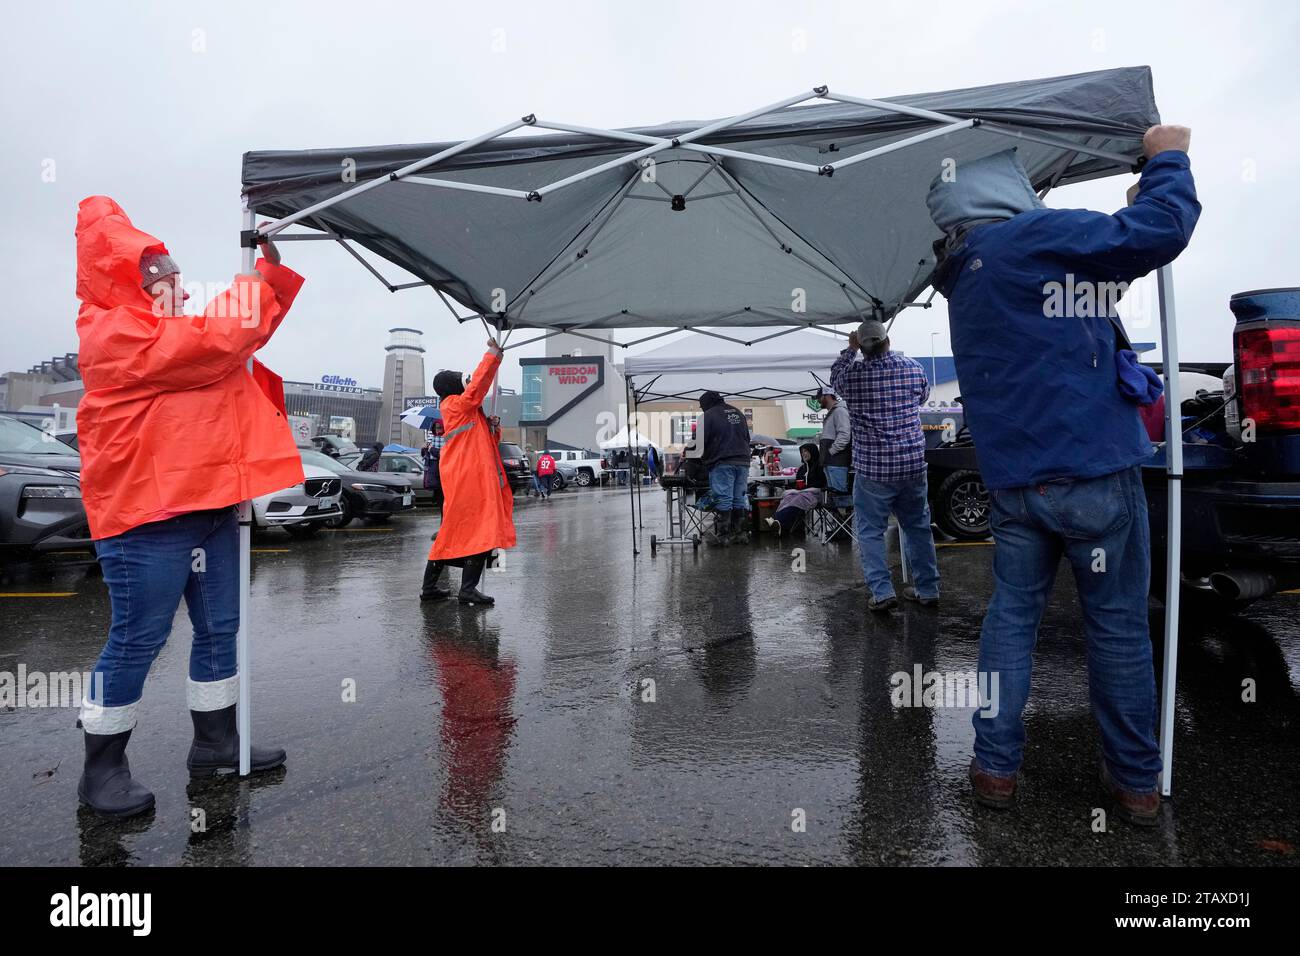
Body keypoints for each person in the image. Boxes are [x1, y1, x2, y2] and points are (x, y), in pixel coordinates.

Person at [926, 126, 1199, 824]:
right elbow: (1162, 229)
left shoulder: (962, 274)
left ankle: (995, 771)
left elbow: (1083, 287)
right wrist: (1167, 159)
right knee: (1114, 628)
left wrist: (1131, 208)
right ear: (1005, 194)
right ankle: (1137, 784)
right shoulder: (1033, 239)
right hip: (1094, 471)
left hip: (1017, 483)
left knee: (1010, 622)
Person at [73, 196, 302, 818]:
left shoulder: (172, 332)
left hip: (210, 509)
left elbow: (226, 341)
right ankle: (102, 767)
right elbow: (214, 340)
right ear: (122, 282)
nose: (173, 285)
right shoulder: (109, 332)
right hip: (145, 519)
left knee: (219, 630)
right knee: (137, 640)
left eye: (173, 274)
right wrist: (257, 284)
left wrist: (267, 283)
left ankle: (216, 744)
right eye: (157, 278)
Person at [831, 318, 941, 612]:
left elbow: (835, 377)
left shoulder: (852, 377)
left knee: (870, 531)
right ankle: (928, 589)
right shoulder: (913, 368)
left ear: (861, 347)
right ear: (887, 341)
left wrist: (849, 349)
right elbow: (923, 397)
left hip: (874, 470)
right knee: (917, 527)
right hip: (912, 464)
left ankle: (882, 593)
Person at [419, 340, 517, 606]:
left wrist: (492, 427)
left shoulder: (465, 410)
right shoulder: (454, 404)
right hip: (468, 478)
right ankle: (467, 590)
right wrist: (493, 355)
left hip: (469, 476)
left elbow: (487, 445)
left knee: (454, 532)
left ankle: (431, 589)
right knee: (480, 531)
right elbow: (477, 387)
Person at [696, 390, 752, 545]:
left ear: (706, 404)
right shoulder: (738, 413)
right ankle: (740, 534)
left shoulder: (707, 416)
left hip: (723, 461)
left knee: (724, 498)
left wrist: (689, 455)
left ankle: (723, 537)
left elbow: (698, 442)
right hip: (743, 461)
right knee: (738, 497)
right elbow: (747, 437)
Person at [764, 443, 825, 535]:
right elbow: (798, 485)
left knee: (797, 498)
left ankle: (776, 519)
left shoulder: (819, 467)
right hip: (802, 494)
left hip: (815, 495)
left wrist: (800, 490)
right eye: (802, 452)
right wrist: (795, 490)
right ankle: (779, 523)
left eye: (806, 451)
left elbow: (820, 485)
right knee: (788, 497)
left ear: (813, 452)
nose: (804, 454)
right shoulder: (802, 469)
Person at [815, 388, 851, 493]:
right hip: (831, 462)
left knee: (839, 495)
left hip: (837, 462)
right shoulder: (834, 411)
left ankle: (843, 510)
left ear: (827, 396)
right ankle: (839, 510)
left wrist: (831, 451)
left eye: (819, 397)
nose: (818, 400)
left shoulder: (839, 411)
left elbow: (845, 434)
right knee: (834, 496)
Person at [421, 421, 445, 508]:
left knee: (443, 501)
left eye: (439, 427)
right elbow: (425, 456)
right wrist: (424, 449)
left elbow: (443, 454)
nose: (437, 430)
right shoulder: (433, 439)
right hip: (434, 474)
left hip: (442, 474)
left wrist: (431, 449)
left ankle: (444, 520)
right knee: (439, 501)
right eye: (435, 428)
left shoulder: (446, 439)